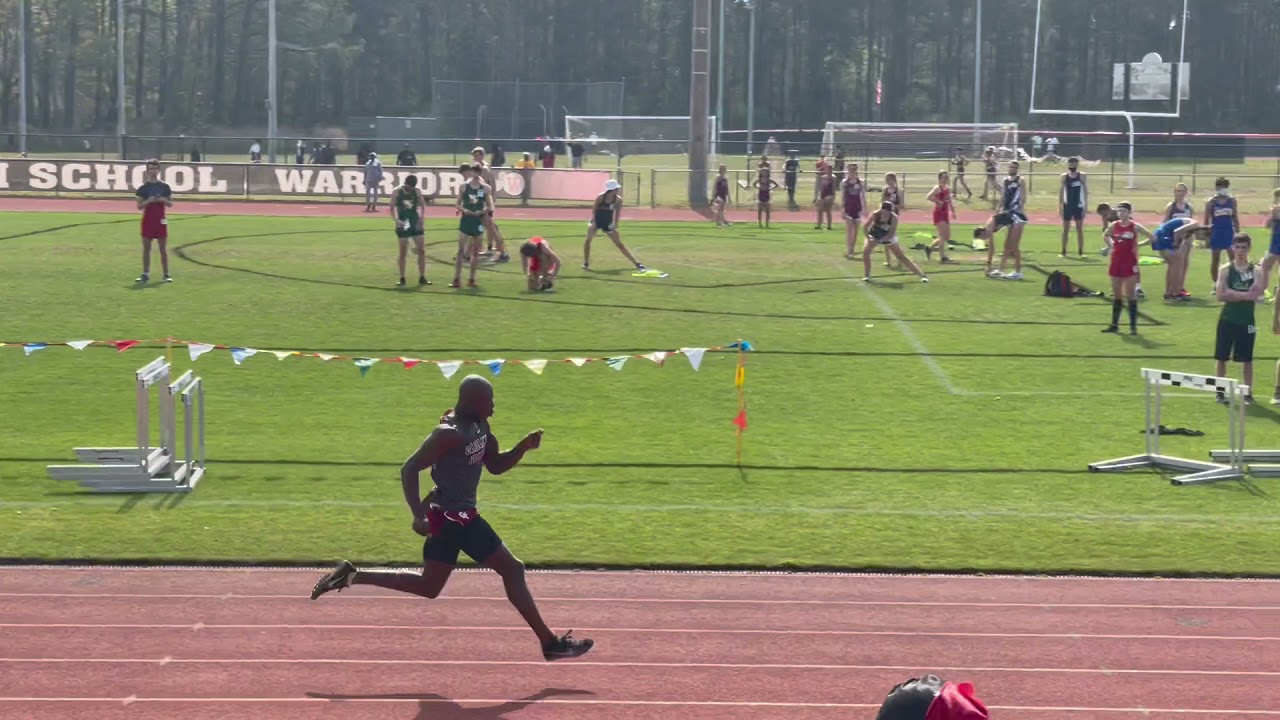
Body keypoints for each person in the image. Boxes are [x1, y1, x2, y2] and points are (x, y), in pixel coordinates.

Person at [309, 375, 595, 662]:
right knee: (513, 570)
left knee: (429, 587)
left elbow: (494, 465)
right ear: (472, 402)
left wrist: (522, 448)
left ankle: (352, 575)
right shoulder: (448, 433)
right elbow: (409, 469)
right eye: (489, 401)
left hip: (450, 517)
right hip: (455, 518)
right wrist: (418, 514)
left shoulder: (480, 426)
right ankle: (550, 642)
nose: (494, 407)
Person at [1213, 233, 1263, 405]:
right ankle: (1220, 392)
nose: (1241, 251)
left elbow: (1256, 294)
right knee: (1221, 357)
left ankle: (1247, 393)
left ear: (1249, 248)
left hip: (1248, 321)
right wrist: (1244, 295)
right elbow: (1220, 295)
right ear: (1233, 248)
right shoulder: (1225, 269)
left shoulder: (1256, 270)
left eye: (1244, 247)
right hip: (1227, 319)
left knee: (1247, 359)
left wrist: (1232, 293)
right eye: (1238, 247)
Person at [1101, 202, 1154, 335]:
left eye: (1124, 211)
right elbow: (1106, 235)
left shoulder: (1134, 226)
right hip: (1116, 261)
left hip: (1129, 262)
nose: (1121, 214)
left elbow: (1152, 237)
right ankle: (1114, 324)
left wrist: (1138, 245)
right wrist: (1112, 244)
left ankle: (1133, 326)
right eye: (1119, 211)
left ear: (1129, 213)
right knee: (1117, 295)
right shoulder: (1115, 225)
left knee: (1130, 295)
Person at [583, 180, 644, 271]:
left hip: (607, 222)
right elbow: (594, 210)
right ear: (611, 189)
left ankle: (636, 263)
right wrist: (595, 223)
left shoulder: (618, 199)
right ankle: (586, 263)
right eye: (616, 188)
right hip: (597, 220)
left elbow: (617, 212)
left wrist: (615, 224)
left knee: (619, 243)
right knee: (588, 241)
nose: (618, 190)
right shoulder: (600, 197)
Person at [861, 202, 929, 283]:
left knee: (901, 256)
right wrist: (869, 238)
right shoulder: (875, 214)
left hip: (888, 236)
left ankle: (922, 275)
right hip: (875, 234)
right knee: (866, 252)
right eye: (884, 211)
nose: (886, 213)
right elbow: (865, 226)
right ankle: (867, 275)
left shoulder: (894, 218)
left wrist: (882, 240)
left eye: (888, 211)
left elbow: (891, 233)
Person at [1151, 215, 1209, 302]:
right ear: (1202, 231)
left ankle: (1169, 292)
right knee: (1176, 264)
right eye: (1202, 237)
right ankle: (1175, 293)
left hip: (1161, 236)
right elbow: (1177, 231)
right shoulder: (1195, 224)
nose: (1200, 238)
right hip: (1164, 236)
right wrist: (1175, 244)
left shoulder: (1190, 233)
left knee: (1173, 264)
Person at [452, 163, 492, 288]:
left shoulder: (486, 188)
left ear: (480, 173)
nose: (476, 174)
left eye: (478, 172)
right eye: (474, 172)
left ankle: (472, 279)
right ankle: (456, 279)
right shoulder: (464, 187)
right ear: (471, 172)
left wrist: (481, 211)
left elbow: (489, 205)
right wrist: (465, 210)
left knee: (475, 253)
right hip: (466, 220)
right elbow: (458, 204)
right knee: (461, 251)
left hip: (477, 221)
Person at [986, 161, 1028, 280]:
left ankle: (1018, 271)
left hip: (1017, 215)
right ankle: (1001, 269)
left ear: (1017, 169)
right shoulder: (1006, 181)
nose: (1012, 169)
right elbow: (1003, 196)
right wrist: (998, 209)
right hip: (1008, 213)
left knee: (1014, 244)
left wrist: (1019, 206)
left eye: (1014, 167)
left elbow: (1023, 196)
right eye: (1010, 167)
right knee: (1007, 244)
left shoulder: (1020, 180)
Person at [134, 158, 173, 284]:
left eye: (155, 168)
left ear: (159, 170)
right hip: (148, 219)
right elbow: (139, 206)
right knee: (146, 248)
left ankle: (166, 274)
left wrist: (162, 199)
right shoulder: (143, 188)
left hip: (161, 219)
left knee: (163, 248)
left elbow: (170, 204)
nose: (153, 171)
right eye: (150, 169)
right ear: (147, 171)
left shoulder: (165, 186)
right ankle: (145, 274)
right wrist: (149, 200)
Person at [470, 147, 509, 262]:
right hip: (486, 200)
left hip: (485, 202)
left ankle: (498, 250)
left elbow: (483, 186)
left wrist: (480, 200)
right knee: (489, 225)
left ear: (482, 155)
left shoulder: (484, 169)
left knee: (488, 226)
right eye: (474, 156)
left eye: (477, 155)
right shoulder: (483, 167)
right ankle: (491, 248)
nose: (475, 158)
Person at [390, 175, 429, 287]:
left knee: (421, 250)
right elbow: (391, 207)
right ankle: (402, 277)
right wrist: (396, 220)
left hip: (414, 221)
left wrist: (421, 218)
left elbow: (423, 205)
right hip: (403, 222)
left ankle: (422, 276)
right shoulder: (397, 192)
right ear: (405, 183)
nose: (410, 189)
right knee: (403, 252)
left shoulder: (417, 191)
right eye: (408, 187)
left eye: (411, 187)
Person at [1203, 177, 1240, 286]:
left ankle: (1232, 281)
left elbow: (1235, 218)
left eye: (1225, 186)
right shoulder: (1211, 202)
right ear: (1216, 187)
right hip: (1216, 233)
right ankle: (1216, 284)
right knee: (1215, 259)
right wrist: (1206, 238)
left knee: (1233, 258)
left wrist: (1238, 234)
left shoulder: (1232, 201)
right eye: (1220, 186)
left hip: (1229, 232)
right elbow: (1206, 221)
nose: (1222, 189)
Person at [1163, 183, 1196, 301]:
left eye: (1182, 191)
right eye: (1178, 191)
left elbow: (1191, 224)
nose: (1180, 193)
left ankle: (1180, 287)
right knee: (1173, 265)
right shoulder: (1171, 207)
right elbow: (1165, 223)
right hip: (1175, 240)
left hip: (1186, 239)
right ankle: (1169, 289)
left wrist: (1191, 238)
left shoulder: (1188, 207)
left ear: (1186, 193)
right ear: (1174, 192)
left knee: (1184, 265)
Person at [1059, 156, 1088, 257]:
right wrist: (1061, 206)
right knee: (1065, 229)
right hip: (1068, 205)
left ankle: (1080, 251)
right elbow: (1061, 192)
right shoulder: (1064, 176)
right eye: (1071, 164)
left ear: (1077, 165)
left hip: (1078, 205)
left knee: (1079, 229)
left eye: (1074, 164)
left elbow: (1085, 192)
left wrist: (1085, 207)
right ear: (1068, 165)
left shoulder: (1082, 176)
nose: (1072, 165)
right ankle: (1063, 251)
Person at [925, 170, 955, 263]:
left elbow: (949, 200)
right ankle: (942, 256)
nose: (945, 179)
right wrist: (937, 201)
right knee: (942, 236)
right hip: (939, 213)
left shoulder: (947, 188)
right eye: (944, 177)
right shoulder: (937, 188)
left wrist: (953, 210)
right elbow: (928, 196)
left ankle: (929, 248)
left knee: (947, 236)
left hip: (945, 213)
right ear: (940, 178)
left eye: (947, 177)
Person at [841, 163, 867, 260]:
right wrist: (842, 209)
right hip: (848, 207)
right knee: (849, 230)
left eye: (854, 169)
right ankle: (849, 250)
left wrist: (865, 208)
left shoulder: (860, 182)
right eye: (850, 170)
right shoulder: (845, 182)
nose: (851, 171)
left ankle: (852, 248)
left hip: (857, 207)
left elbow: (863, 196)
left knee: (856, 231)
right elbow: (843, 196)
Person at [880, 173, 904, 268]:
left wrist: (892, 206)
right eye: (886, 180)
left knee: (893, 237)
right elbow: (882, 202)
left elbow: (902, 205)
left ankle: (900, 259)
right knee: (885, 237)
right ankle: (888, 260)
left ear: (894, 180)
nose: (888, 182)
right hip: (885, 216)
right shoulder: (885, 190)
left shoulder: (899, 191)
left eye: (889, 179)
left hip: (894, 216)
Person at [752, 162, 779, 229]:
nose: (764, 173)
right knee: (760, 210)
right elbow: (754, 184)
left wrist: (770, 188)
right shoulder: (760, 179)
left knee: (767, 211)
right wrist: (758, 187)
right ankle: (760, 223)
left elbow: (776, 184)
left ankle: (767, 224)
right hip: (761, 193)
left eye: (765, 172)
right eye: (763, 172)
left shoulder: (769, 180)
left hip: (766, 193)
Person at [814, 164, 836, 230]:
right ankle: (819, 225)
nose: (829, 170)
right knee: (819, 210)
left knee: (828, 210)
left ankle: (829, 226)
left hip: (829, 195)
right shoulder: (823, 177)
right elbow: (821, 187)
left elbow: (834, 188)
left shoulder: (833, 177)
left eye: (830, 169)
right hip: (822, 195)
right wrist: (818, 195)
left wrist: (832, 196)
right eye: (827, 169)